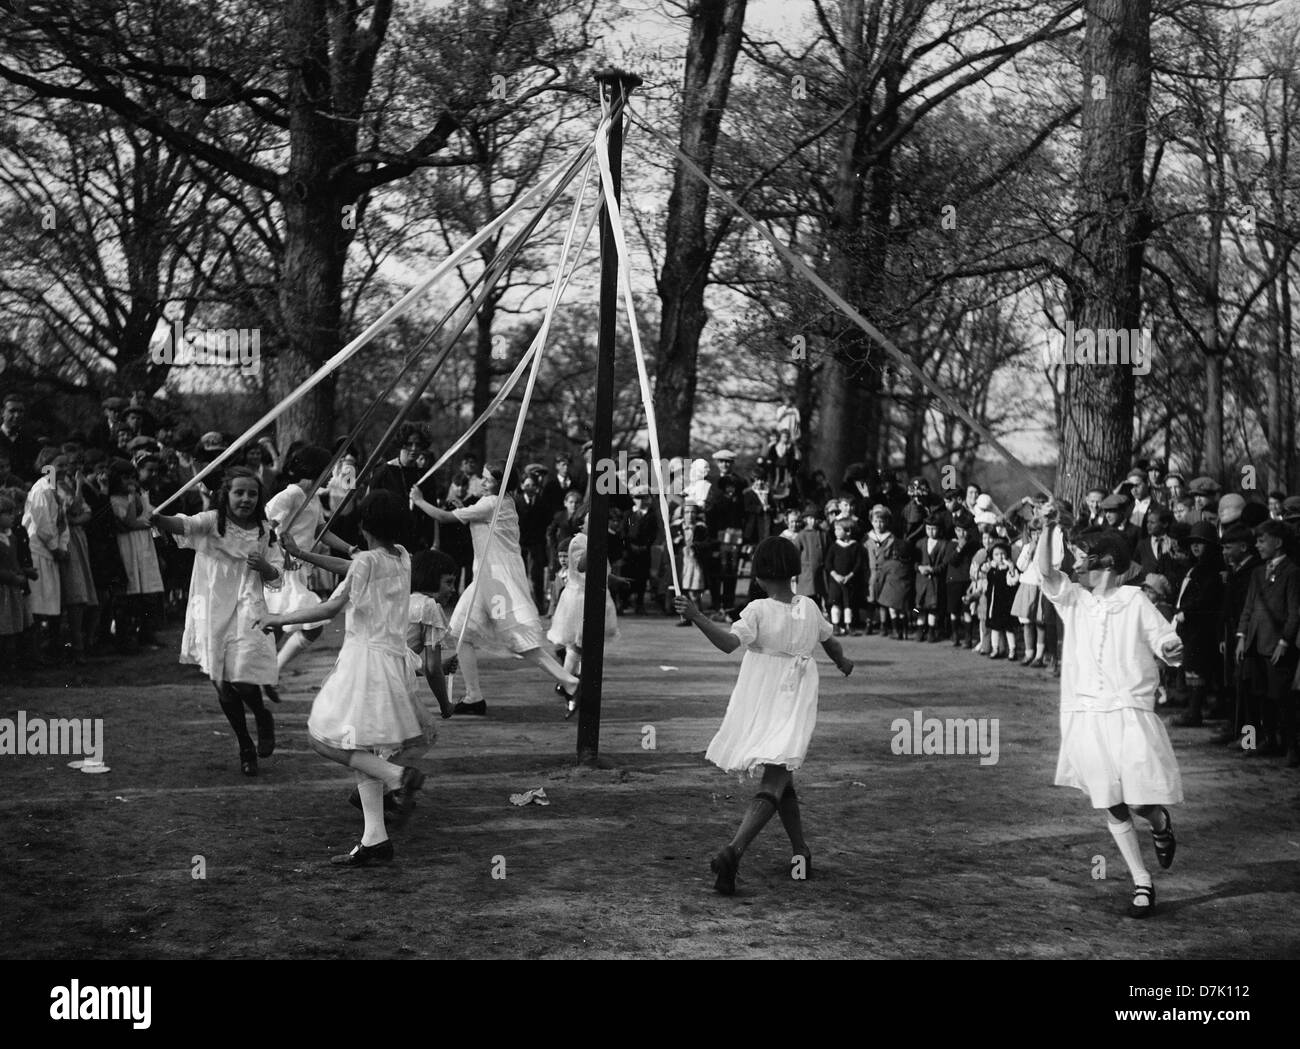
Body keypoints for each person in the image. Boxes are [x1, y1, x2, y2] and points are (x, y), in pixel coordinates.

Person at [258, 491, 431, 865]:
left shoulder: (367, 561)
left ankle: (396, 776)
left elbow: (335, 603)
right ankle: (375, 840)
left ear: (364, 526)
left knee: (322, 737)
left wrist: (279, 619)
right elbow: (351, 566)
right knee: (362, 746)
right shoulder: (402, 556)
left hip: (363, 662)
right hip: (392, 661)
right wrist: (302, 554)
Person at [674, 536, 853, 896]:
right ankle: (789, 851)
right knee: (779, 773)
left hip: (765, 700)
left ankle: (736, 850)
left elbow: (728, 644)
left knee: (778, 774)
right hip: (796, 700)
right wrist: (843, 662)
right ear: (793, 571)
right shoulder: (810, 607)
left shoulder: (757, 609)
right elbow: (830, 641)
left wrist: (696, 616)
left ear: (758, 575)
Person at [1038, 519, 1183, 918]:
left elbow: (1164, 639)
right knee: (1111, 802)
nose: (1073, 565)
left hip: (1129, 711)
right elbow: (1044, 572)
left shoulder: (1135, 601)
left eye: (1080, 558)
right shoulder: (1074, 601)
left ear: (1104, 563)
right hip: (1087, 714)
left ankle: (1159, 822)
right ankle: (1142, 881)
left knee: (1138, 801)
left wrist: (1170, 645)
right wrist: (1047, 528)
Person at [409, 462, 579, 716]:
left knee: (518, 640)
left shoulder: (490, 504)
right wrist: (464, 510)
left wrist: (419, 500)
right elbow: (481, 523)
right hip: (487, 579)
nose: (484, 482)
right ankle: (474, 697)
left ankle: (570, 681)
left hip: (495, 582)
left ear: (502, 483)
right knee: (460, 631)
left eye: (489, 479)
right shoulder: (504, 502)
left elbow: (443, 518)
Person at [151, 467, 283, 776]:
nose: (246, 499)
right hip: (210, 606)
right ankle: (245, 745)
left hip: (246, 606)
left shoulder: (264, 531)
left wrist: (264, 565)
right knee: (222, 684)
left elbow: (277, 574)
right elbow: (182, 525)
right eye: (239, 492)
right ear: (226, 495)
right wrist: (157, 519)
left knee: (241, 678)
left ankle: (262, 714)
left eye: (252, 493)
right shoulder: (211, 522)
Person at [263, 445, 356, 695]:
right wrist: (280, 546)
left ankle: (265, 672)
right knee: (305, 624)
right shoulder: (292, 493)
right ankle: (266, 672)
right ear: (316, 469)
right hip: (282, 569)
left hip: (299, 569)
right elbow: (267, 522)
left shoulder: (313, 496)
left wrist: (350, 549)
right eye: (329, 469)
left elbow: (320, 533)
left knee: (281, 625)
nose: (332, 475)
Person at [1235, 519, 1300, 764]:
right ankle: (1269, 740)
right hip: (1255, 643)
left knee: (1282, 697)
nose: (1258, 546)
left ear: (1279, 543)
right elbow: (1248, 607)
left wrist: (1285, 642)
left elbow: (1295, 612)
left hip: (1276, 646)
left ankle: (1291, 746)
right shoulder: (1257, 573)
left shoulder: (1292, 573)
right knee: (1261, 695)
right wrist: (1242, 637)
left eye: (1262, 541)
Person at [546, 504, 619, 719]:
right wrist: (596, 543)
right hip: (580, 599)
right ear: (582, 524)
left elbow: (601, 570)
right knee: (578, 644)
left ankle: (569, 685)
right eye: (592, 521)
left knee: (582, 646)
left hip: (596, 596)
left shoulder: (598, 540)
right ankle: (567, 682)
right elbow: (581, 566)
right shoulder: (578, 541)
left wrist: (615, 579)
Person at [1170, 522, 1225, 728]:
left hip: (1201, 626)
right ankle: (1193, 708)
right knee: (1191, 666)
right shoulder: (1194, 567)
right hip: (1189, 626)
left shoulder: (1211, 570)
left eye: (1201, 543)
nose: (1195, 547)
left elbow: (1206, 597)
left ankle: (1194, 712)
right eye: (1193, 543)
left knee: (1198, 668)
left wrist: (1187, 611)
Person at [22, 450, 68, 659]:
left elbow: (61, 522)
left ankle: (49, 650)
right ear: (47, 466)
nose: (64, 469)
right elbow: (42, 524)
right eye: (59, 465)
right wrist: (55, 547)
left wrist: (62, 547)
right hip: (39, 551)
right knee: (38, 604)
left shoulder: (54, 490)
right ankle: (34, 653)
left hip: (51, 552)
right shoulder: (41, 490)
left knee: (50, 603)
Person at [824, 516, 862, 637]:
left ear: (848, 531)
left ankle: (849, 625)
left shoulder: (855, 546)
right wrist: (835, 575)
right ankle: (836, 625)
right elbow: (828, 563)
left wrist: (850, 576)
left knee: (848, 603)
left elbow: (858, 563)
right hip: (835, 581)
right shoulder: (834, 546)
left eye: (839, 529)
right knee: (835, 602)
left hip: (849, 581)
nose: (836, 532)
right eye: (835, 529)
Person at [985, 540, 1019, 659]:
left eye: (1002, 554)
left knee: (1008, 627)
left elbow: (1013, 582)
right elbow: (989, 580)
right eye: (997, 554)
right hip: (995, 602)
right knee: (995, 627)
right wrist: (991, 569)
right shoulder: (993, 569)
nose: (1000, 557)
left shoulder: (1009, 568)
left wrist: (1011, 568)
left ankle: (1012, 650)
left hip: (1007, 602)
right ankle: (995, 649)